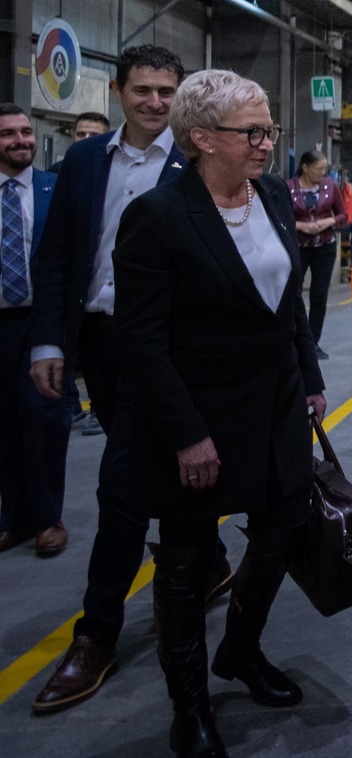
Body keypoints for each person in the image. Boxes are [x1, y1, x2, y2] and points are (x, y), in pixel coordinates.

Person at [116, 71, 325, 758]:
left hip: (276, 402)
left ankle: (239, 651)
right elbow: (142, 341)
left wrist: (312, 377)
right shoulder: (159, 217)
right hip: (197, 416)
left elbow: (286, 300)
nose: (268, 143)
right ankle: (191, 708)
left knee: (284, 528)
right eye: (253, 132)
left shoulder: (267, 194)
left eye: (270, 130)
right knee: (184, 562)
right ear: (203, 138)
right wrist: (187, 436)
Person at [26, 45, 222, 715]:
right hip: (101, 344)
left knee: (122, 484)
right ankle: (209, 560)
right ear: (118, 91)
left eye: (167, 90)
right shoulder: (84, 162)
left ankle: (97, 633)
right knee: (152, 465)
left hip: (168, 348)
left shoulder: (197, 159)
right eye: (142, 89)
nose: (155, 101)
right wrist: (50, 340)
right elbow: (56, 258)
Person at [0, 104, 62, 555]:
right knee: (4, 422)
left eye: (25, 132)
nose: (20, 140)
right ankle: (15, 519)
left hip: (42, 320)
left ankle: (47, 519)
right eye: (8, 134)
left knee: (42, 418)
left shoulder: (53, 189)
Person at [289, 152, 342, 357]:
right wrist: (300, 225)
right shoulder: (289, 188)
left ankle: (313, 342)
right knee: (294, 293)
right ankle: (295, 339)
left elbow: (342, 214)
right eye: (319, 168)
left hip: (324, 247)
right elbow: (281, 216)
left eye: (325, 168)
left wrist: (327, 222)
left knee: (319, 295)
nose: (323, 172)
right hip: (298, 247)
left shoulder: (330, 186)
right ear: (305, 167)